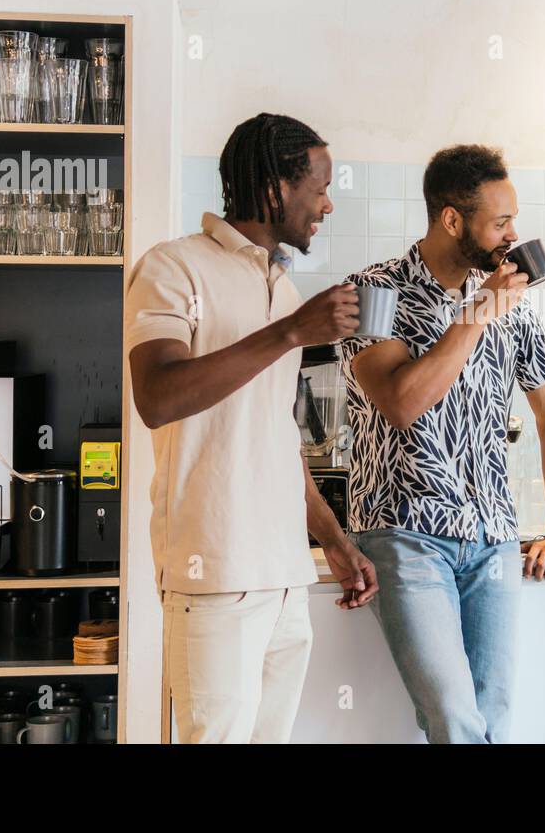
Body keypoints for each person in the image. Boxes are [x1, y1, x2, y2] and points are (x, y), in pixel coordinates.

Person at [125, 113, 378, 743]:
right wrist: (291, 333)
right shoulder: (171, 267)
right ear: (274, 189)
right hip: (212, 573)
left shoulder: (284, 290)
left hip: (287, 578)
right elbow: (157, 396)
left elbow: (277, 439)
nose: (328, 203)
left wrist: (335, 543)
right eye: (318, 187)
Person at [338, 144, 545, 743]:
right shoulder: (374, 293)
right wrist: (479, 312)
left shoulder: (512, 305)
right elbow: (402, 402)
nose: (512, 234)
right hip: (404, 532)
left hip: (493, 534)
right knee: (453, 716)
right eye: (500, 222)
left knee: (490, 717)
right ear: (451, 218)